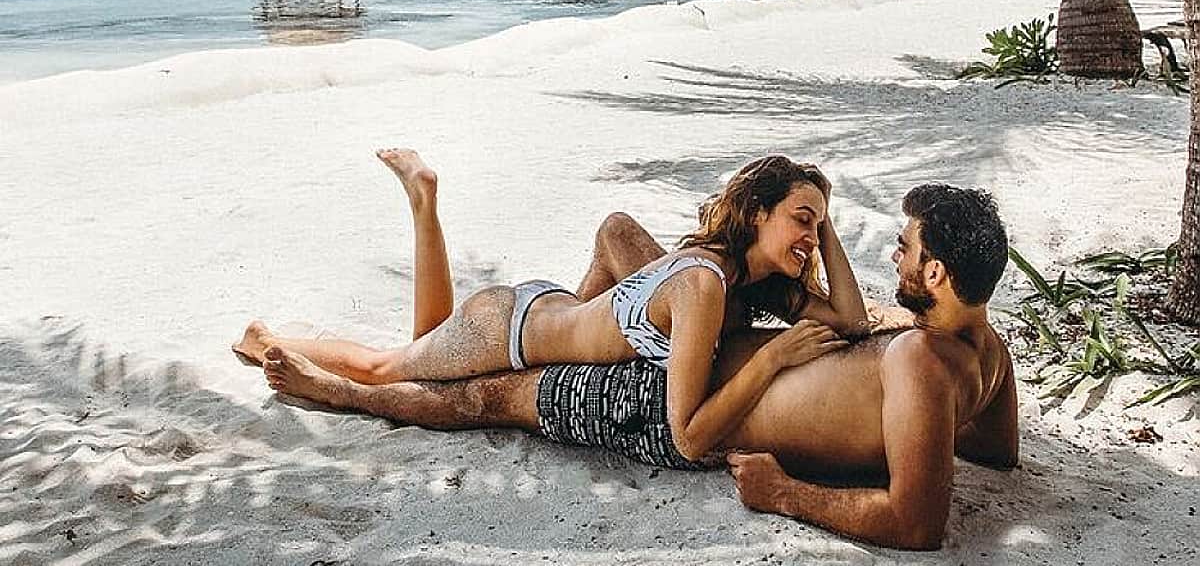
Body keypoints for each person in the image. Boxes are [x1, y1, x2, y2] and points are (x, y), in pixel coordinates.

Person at [259, 184, 1017, 550]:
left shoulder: (920, 357)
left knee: (491, 398)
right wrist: (896, 417)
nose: (898, 255)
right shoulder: (987, 351)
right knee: (614, 252)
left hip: (664, 400)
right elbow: (994, 450)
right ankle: (562, 318)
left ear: (941, 274)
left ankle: (342, 391)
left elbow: (917, 522)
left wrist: (787, 490)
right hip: (685, 346)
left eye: (910, 250)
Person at [236, 149, 869, 462]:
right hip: (506, 328)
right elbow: (689, 436)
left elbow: (851, 320)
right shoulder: (706, 286)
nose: (810, 237)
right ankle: (262, 341)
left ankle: (422, 207)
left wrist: (823, 212)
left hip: (553, 310)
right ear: (758, 214)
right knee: (383, 366)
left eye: (817, 226)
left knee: (421, 343)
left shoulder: (747, 282)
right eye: (800, 220)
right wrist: (774, 356)